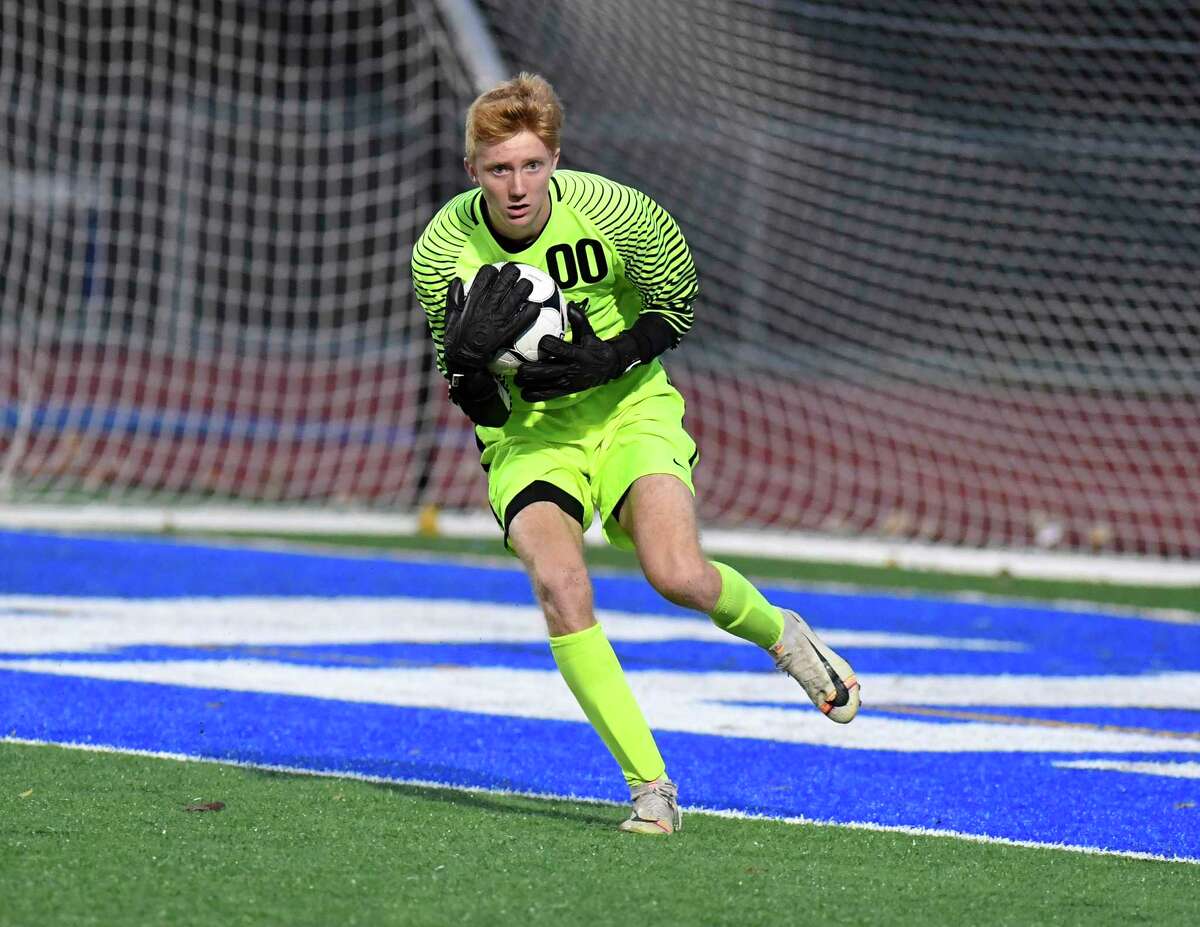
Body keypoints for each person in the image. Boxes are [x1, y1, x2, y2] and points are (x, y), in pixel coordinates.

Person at [411, 73, 859, 835]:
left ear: (555, 158)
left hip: (628, 407)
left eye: (531, 165)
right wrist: (467, 371)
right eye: (498, 169)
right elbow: (476, 402)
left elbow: (676, 307)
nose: (516, 187)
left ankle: (781, 633)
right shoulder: (442, 251)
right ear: (471, 171)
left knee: (676, 572)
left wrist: (604, 358)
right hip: (528, 436)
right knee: (560, 585)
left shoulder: (616, 211)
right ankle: (651, 785)